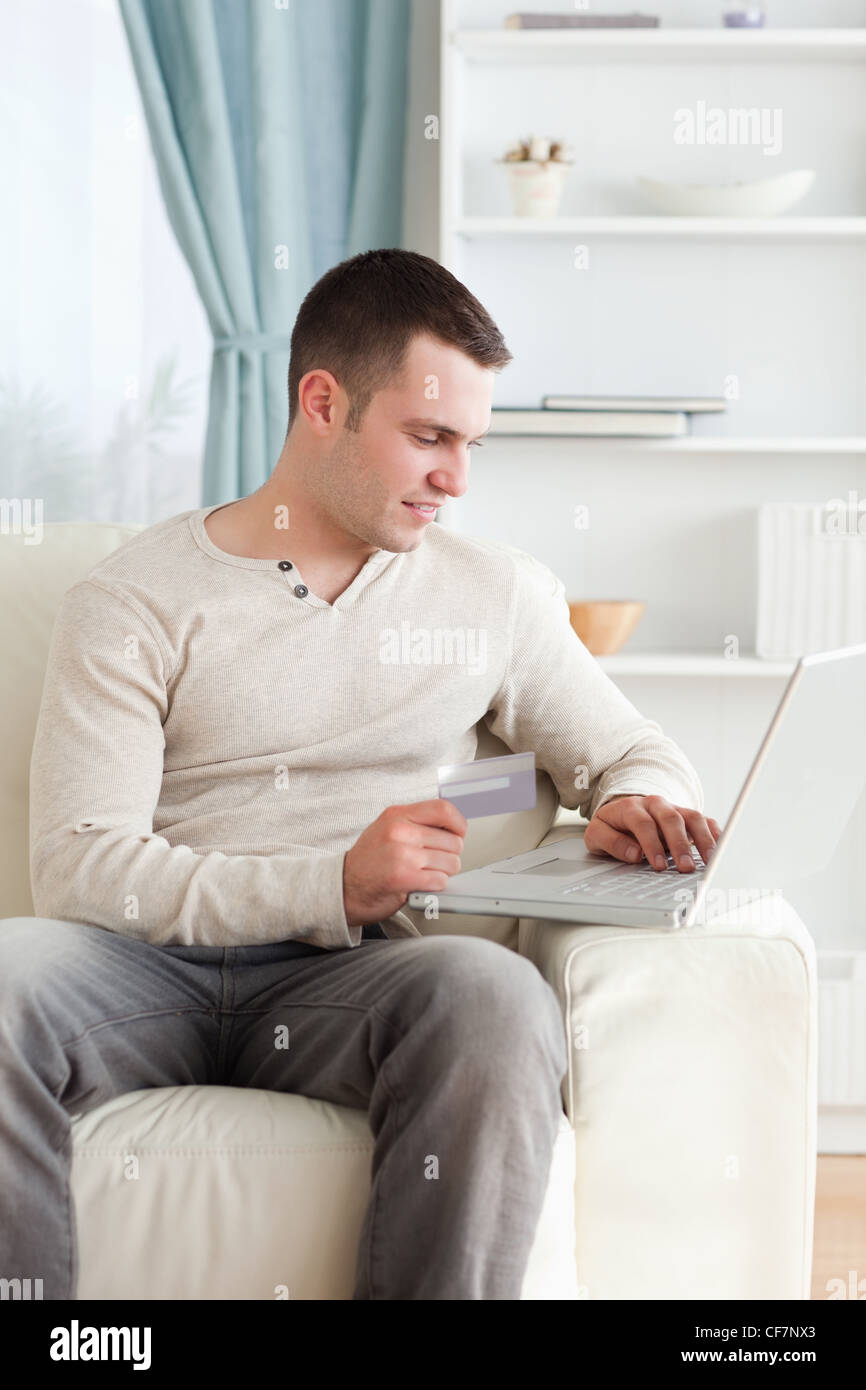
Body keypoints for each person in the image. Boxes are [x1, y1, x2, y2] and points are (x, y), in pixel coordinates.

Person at [0, 248, 720, 1301]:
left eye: (470, 444)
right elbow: (78, 867)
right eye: (428, 436)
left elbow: (633, 749)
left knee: (492, 998)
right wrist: (326, 881)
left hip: (356, 979)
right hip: (142, 972)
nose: (454, 478)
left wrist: (628, 803)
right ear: (322, 403)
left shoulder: (493, 595)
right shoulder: (134, 601)